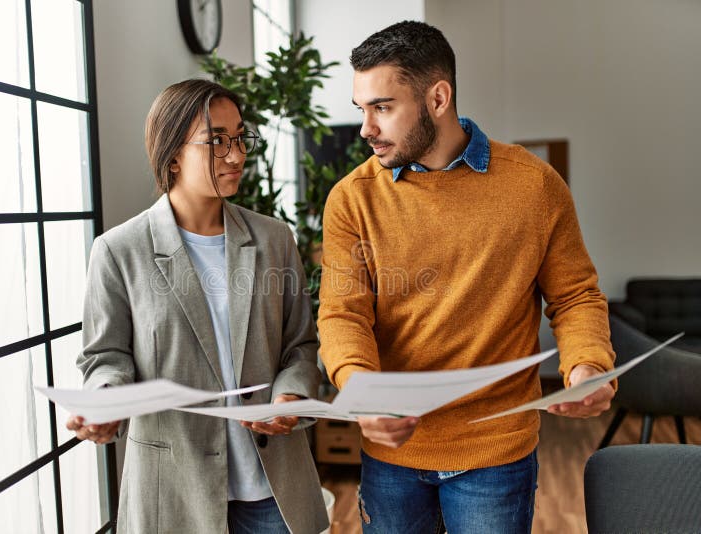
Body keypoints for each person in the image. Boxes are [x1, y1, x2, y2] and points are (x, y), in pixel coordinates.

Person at [317, 21, 616, 534]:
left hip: (496, 451)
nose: (365, 128)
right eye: (360, 109)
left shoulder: (534, 185)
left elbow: (574, 296)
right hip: (393, 453)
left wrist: (588, 365)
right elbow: (343, 313)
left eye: (382, 107)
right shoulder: (352, 198)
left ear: (438, 97)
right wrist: (359, 388)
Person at [66, 79, 329, 534]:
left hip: (270, 489)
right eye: (216, 141)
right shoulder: (119, 250)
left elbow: (300, 345)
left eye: (239, 137)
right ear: (172, 155)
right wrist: (104, 403)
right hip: (172, 488)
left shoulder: (273, 240)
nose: (235, 154)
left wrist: (290, 394)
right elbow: (105, 357)